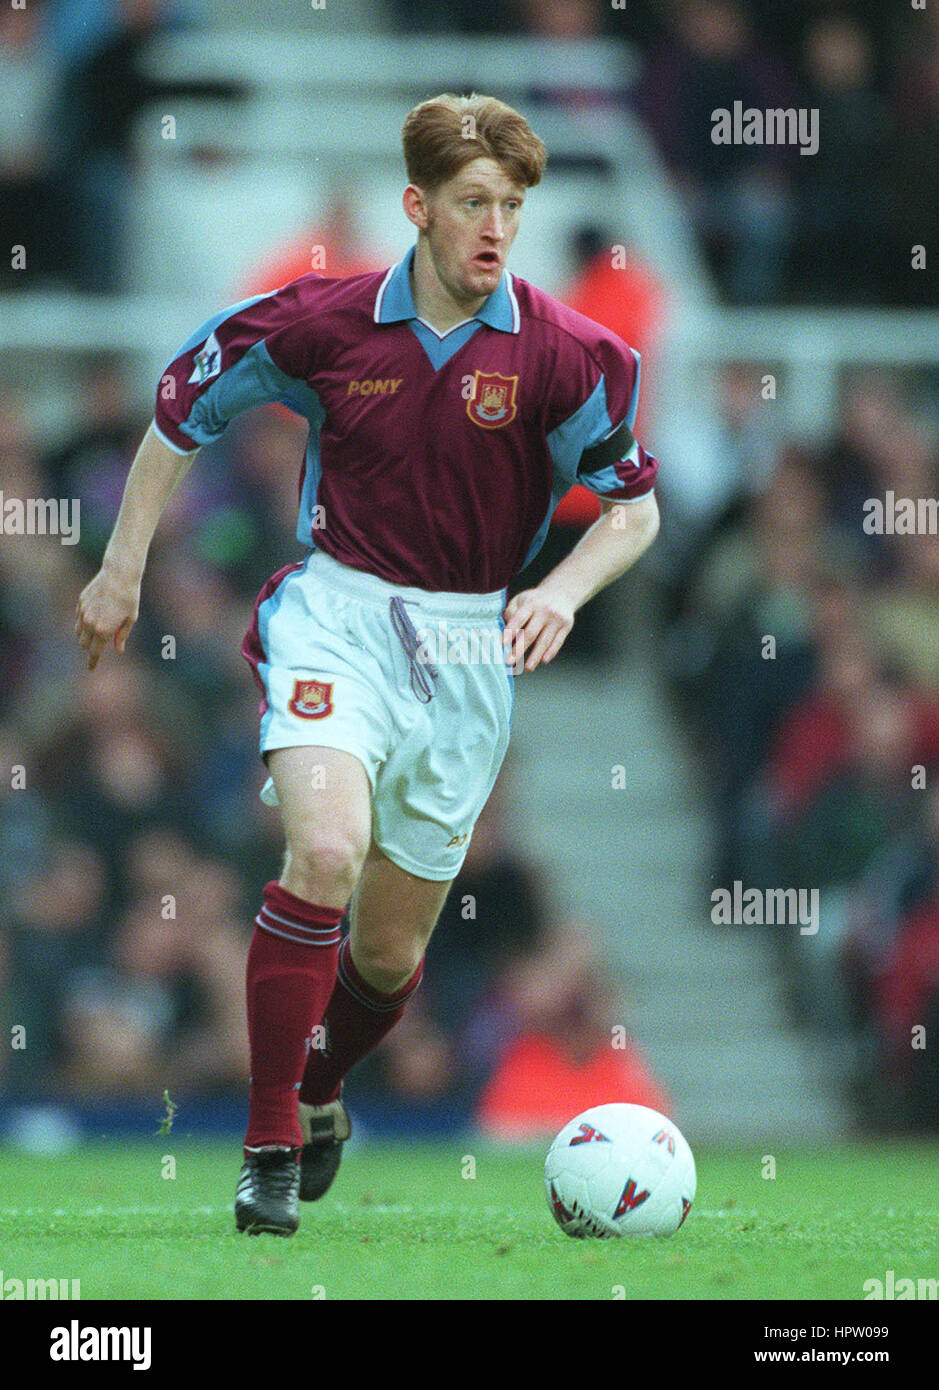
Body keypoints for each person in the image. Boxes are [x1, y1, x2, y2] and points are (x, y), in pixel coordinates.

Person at [75, 93, 661, 1236]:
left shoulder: (568, 353)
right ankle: (267, 1146)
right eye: (473, 204)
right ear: (418, 207)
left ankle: (324, 1085)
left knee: (389, 955)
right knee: (325, 848)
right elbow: (179, 412)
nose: (496, 227)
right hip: (337, 612)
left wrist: (558, 588)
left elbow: (635, 509)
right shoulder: (323, 322)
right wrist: (120, 567)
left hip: (469, 643)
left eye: (512, 206)